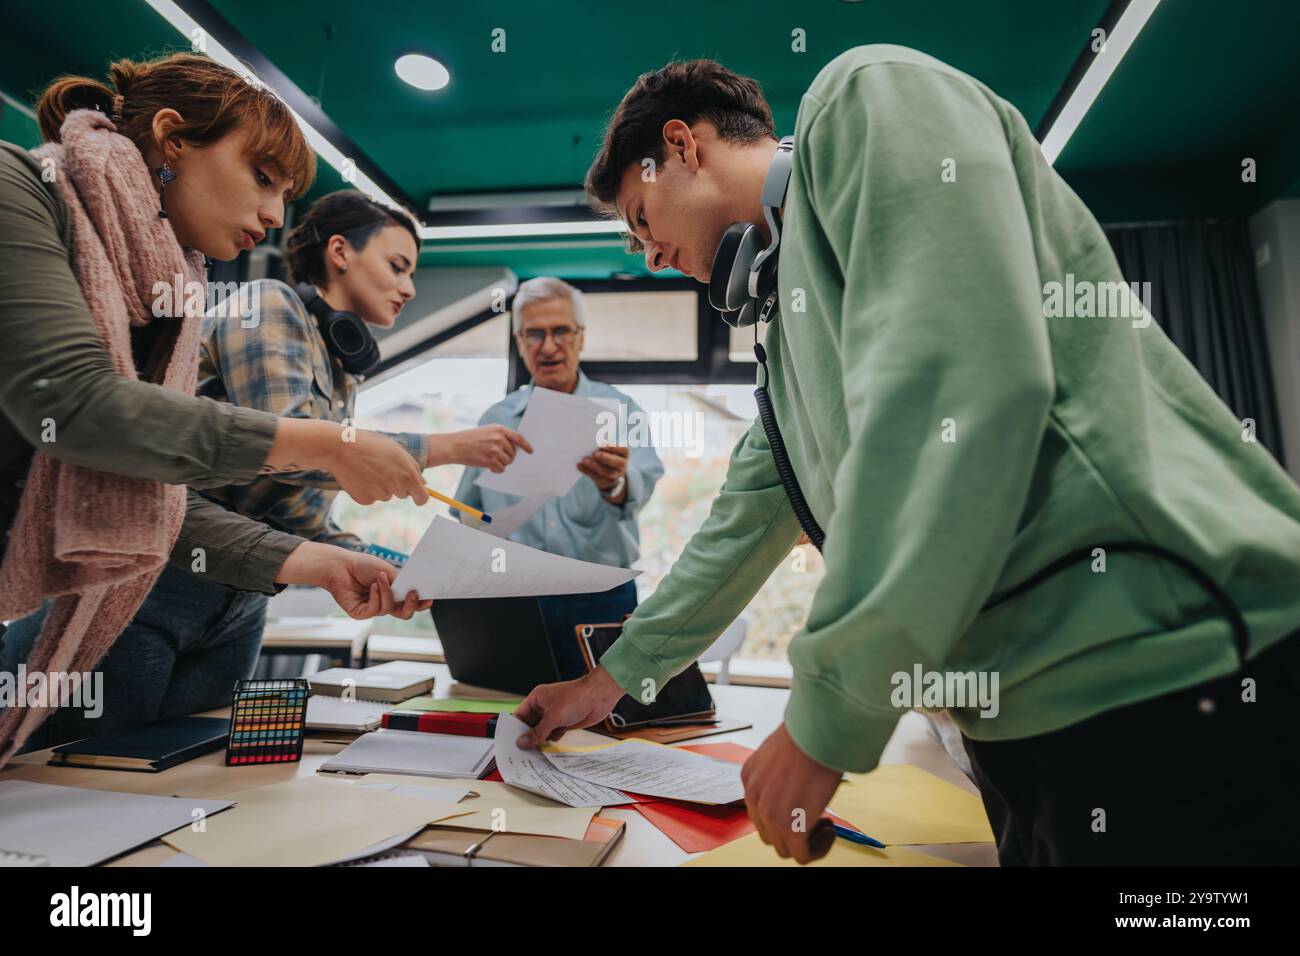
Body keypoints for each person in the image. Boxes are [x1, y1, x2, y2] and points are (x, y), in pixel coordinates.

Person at [511, 47, 1300, 865]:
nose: (650, 255)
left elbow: (958, 388)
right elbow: (744, 523)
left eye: (643, 220)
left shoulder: (866, 97)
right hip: (1019, 721)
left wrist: (824, 712)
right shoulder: (787, 335)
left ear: (681, 145)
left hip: (1172, 676)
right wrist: (607, 681)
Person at [0, 53, 431, 763]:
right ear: (172, 138)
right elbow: (75, 405)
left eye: (286, 193)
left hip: (203, 587)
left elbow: (161, 505)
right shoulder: (21, 184)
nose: (272, 212)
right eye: (262, 177)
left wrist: (316, 562)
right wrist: (328, 445)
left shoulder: (175, 290)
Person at [1, 190, 532, 750]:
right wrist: (444, 446)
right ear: (339, 251)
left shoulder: (339, 369)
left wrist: (377, 563)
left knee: (187, 774)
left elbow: (292, 514)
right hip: (159, 586)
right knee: (84, 776)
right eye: (397, 266)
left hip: (243, 601)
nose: (409, 287)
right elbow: (285, 444)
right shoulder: (270, 304)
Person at [452, 277, 663, 678]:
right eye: (535, 333)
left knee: (607, 722)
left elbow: (643, 483)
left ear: (580, 337)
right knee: (515, 709)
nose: (548, 346)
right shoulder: (496, 420)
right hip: (515, 600)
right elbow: (468, 512)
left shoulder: (623, 410)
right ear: (519, 340)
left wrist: (613, 484)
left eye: (561, 331)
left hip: (601, 598)